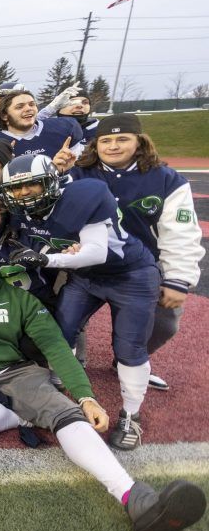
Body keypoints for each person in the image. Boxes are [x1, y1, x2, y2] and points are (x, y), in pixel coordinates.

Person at [0, 243, 206, 531]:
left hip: (16, 371)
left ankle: (135, 498)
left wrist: (86, 397)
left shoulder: (19, 299)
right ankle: (24, 416)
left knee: (67, 413)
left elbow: (55, 347)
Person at [0, 154, 160, 450]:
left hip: (129, 274)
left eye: (32, 184)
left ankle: (131, 414)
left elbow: (96, 252)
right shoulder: (21, 214)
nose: (23, 193)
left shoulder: (82, 197)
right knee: (60, 330)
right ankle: (59, 383)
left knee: (129, 347)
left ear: (50, 182)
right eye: (16, 188)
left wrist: (48, 259)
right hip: (85, 277)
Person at [70, 114, 204, 387]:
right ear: (96, 145)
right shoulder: (77, 174)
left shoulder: (167, 180)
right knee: (66, 317)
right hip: (87, 267)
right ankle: (72, 363)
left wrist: (178, 278)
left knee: (165, 324)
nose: (113, 146)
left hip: (143, 270)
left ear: (140, 142)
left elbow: (181, 232)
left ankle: (127, 359)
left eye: (122, 139)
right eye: (106, 140)